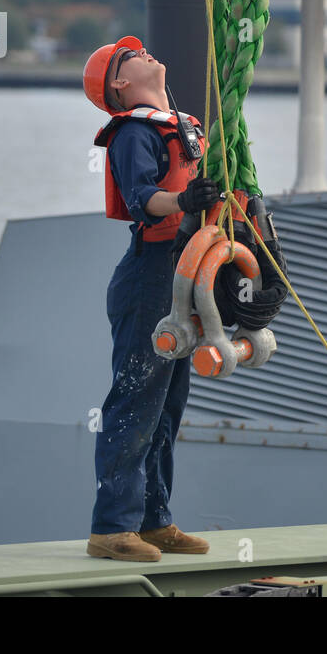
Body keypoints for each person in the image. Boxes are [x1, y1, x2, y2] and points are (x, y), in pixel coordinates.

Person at [81, 35, 222, 562]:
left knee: (167, 403)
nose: (144, 55)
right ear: (120, 84)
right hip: (151, 275)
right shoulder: (133, 133)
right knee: (137, 395)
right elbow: (144, 199)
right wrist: (184, 200)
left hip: (184, 271)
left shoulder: (183, 128)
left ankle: (154, 520)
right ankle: (112, 528)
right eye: (130, 57)